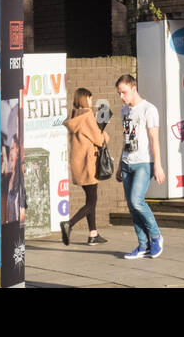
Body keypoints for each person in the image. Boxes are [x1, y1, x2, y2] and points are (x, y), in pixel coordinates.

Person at [116, 73, 165, 259]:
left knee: (137, 200)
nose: (122, 96)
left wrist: (158, 165)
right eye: (119, 93)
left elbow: (154, 139)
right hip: (128, 162)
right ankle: (143, 245)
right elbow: (126, 138)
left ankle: (156, 236)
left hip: (144, 163)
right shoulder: (124, 111)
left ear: (134, 88)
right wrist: (121, 163)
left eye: (124, 92)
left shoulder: (149, 109)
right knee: (131, 205)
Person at [62, 87, 109, 246]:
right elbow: (100, 140)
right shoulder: (87, 116)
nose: (91, 101)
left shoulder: (73, 116)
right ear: (84, 99)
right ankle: (69, 224)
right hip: (89, 164)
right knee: (91, 202)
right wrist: (105, 133)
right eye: (90, 98)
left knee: (90, 199)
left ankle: (93, 234)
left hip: (78, 164)